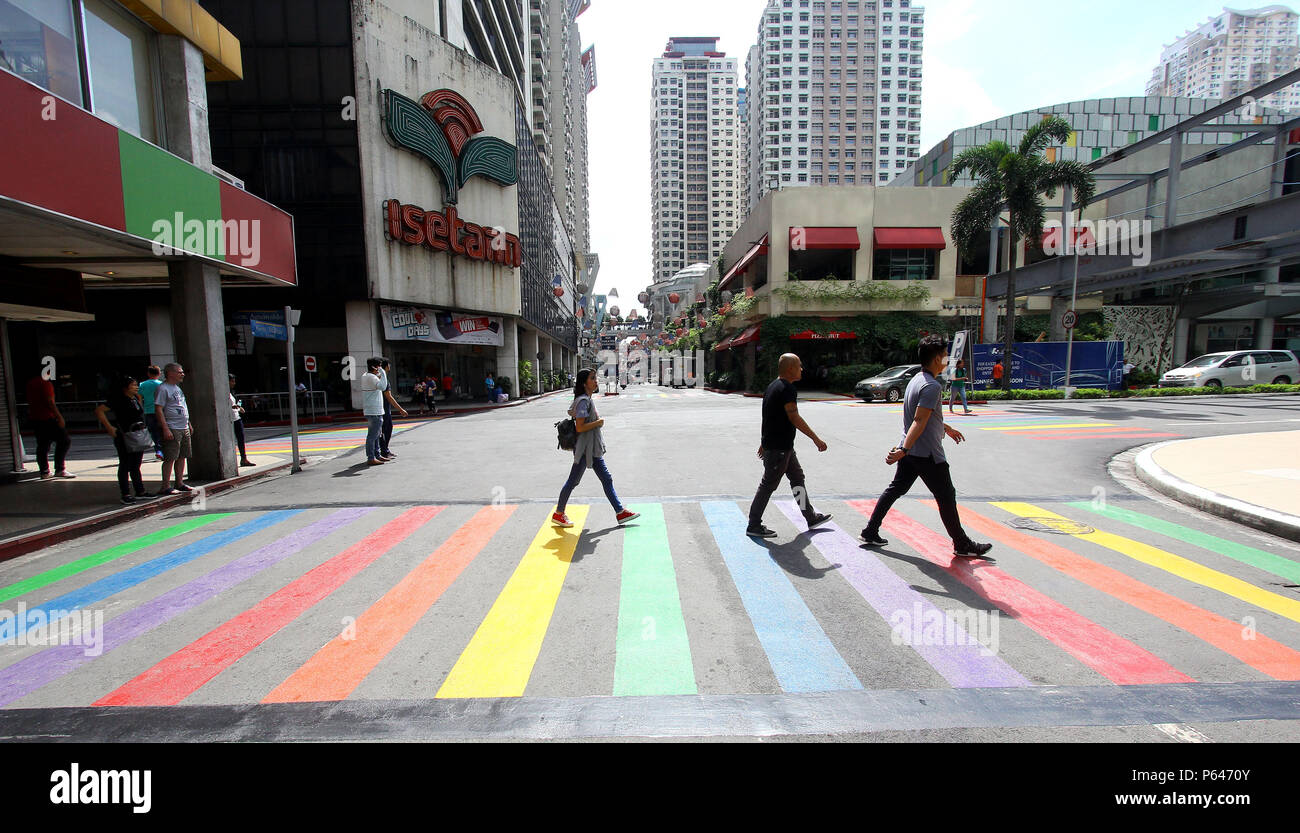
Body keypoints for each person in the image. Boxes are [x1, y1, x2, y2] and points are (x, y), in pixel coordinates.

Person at [859, 336, 992, 558]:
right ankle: (961, 543)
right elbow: (919, 421)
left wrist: (944, 428)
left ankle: (870, 530)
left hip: (911, 450)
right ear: (938, 358)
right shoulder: (931, 386)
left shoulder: (917, 380)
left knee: (896, 489)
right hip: (927, 453)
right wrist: (904, 450)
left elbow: (925, 416)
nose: (948, 359)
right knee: (946, 496)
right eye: (946, 355)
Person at [746, 353, 832, 539]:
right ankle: (753, 524)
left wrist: (763, 442)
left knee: (797, 478)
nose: (801, 369)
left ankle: (810, 517)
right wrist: (815, 439)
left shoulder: (773, 386)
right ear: (790, 368)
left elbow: (769, 418)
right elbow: (794, 417)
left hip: (782, 447)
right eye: (799, 365)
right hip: (779, 449)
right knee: (768, 485)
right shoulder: (787, 389)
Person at [551, 369, 639, 528]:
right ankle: (559, 513)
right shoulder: (584, 401)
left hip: (592, 449)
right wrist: (599, 423)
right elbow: (580, 427)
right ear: (585, 383)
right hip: (586, 450)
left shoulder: (586, 400)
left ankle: (620, 512)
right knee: (573, 481)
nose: (596, 381)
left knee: (606, 479)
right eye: (592, 378)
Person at [95, 376, 154, 504]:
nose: (136, 387)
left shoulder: (135, 398)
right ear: (125, 387)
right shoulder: (118, 399)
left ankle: (140, 491)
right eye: (133, 385)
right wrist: (109, 427)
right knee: (125, 464)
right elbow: (99, 410)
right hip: (124, 435)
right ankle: (125, 493)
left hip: (137, 434)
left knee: (136, 464)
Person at [25, 368, 75, 479]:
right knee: (64, 441)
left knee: (43, 445)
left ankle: (44, 471)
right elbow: (50, 402)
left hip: (35, 418)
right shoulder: (46, 384)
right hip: (47, 418)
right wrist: (60, 417)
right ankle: (60, 468)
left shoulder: (30, 383)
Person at [154, 363, 193, 495]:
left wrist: (189, 423)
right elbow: (158, 409)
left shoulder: (177, 388)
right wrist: (165, 428)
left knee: (182, 456)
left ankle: (179, 482)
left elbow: (183, 406)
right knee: (170, 457)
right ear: (170, 373)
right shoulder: (163, 389)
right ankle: (165, 485)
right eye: (179, 372)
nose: (182, 374)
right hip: (172, 427)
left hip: (183, 426)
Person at [378, 358, 408, 460]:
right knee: (386, 429)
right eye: (389, 365)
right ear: (386, 367)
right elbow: (389, 396)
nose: (390, 367)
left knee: (384, 430)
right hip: (384, 409)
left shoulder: (377, 378)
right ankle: (384, 451)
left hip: (380, 408)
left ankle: (383, 450)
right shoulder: (384, 380)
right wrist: (401, 409)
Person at [361, 358, 387, 466]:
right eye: (379, 366)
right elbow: (383, 386)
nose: (380, 368)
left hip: (373, 410)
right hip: (374, 411)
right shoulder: (371, 377)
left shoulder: (366, 376)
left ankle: (377, 454)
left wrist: (380, 374)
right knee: (372, 435)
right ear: (374, 367)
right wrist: (383, 373)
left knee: (376, 435)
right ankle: (371, 457)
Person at [138, 365, 164, 461]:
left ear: (148, 373)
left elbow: (140, 399)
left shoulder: (142, 385)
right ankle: (163, 450)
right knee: (162, 430)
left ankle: (158, 450)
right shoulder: (161, 384)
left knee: (153, 432)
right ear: (159, 373)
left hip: (148, 411)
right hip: (161, 411)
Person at [229, 374, 255, 467]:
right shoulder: (224, 392)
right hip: (230, 419)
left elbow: (234, 405)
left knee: (241, 439)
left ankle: (243, 459)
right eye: (232, 381)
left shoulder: (232, 393)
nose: (234, 383)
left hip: (236, 417)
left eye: (234, 381)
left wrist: (239, 407)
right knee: (232, 440)